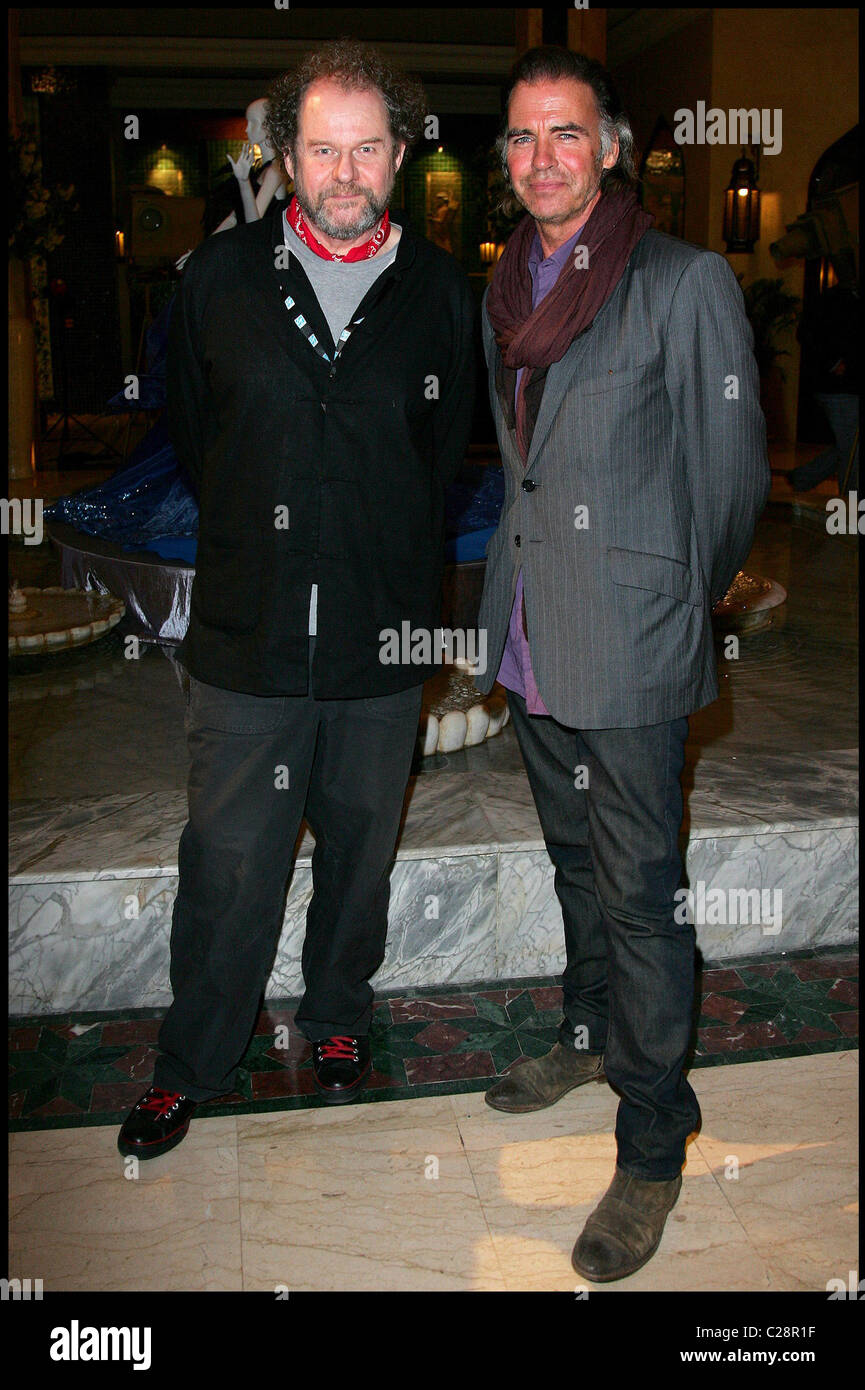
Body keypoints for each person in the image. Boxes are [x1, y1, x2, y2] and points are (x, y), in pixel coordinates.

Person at [117, 38, 475, 1159]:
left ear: (402, 152)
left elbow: (450, 448)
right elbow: (195, 430)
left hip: (380, 645)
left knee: (361, 857)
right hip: (247, 645)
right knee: (226, 869)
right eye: (321, 148)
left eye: (367, 147)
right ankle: (194, 1061)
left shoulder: (441, 293)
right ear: (283, 154)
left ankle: (335, 1021)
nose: (343, 171)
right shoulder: (217, 281)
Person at [472, 46, 770, 1283]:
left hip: (632, 641)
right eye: (521, 138)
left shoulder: (681, 278)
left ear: (610, 146)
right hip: (537, 629)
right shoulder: (504, 288)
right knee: (568, 860)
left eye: (565, 134)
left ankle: (652, 1140)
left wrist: (667, 604)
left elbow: (732, 473)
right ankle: (587, 1032)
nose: (542, 157)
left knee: (642, 896)